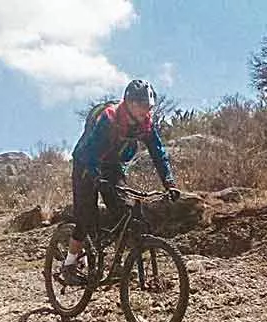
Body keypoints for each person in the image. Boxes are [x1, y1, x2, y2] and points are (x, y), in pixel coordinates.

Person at [62, 79, 180, 285]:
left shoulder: (146, 125)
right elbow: (85, 151)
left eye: (149, 107)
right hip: (86, 163)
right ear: (130, 102)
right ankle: (69, 265)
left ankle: (116, 267)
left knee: (124, 211)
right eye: (142, 106)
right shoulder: (109, 118)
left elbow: (158, 153)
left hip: (112, 165)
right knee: (85, 217)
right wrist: (95, 176)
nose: (146, 111)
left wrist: (169, 182)